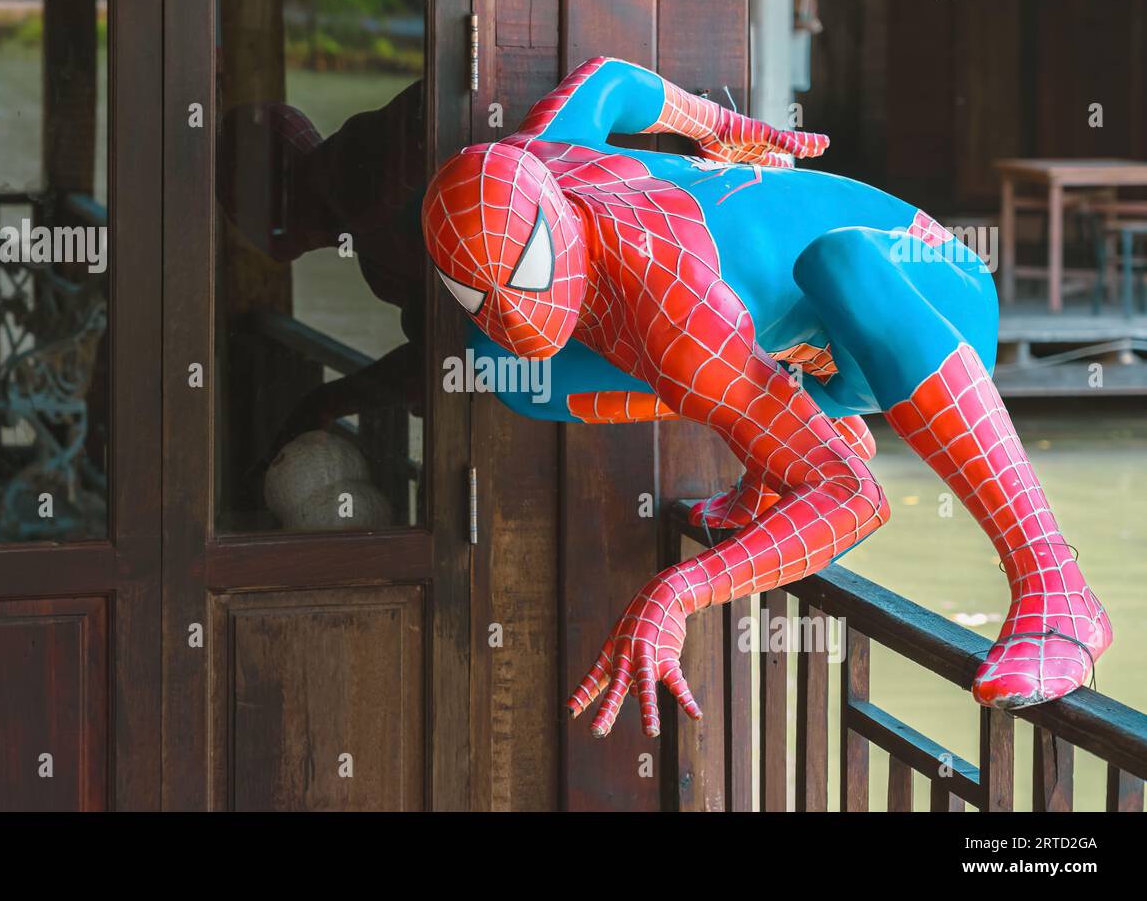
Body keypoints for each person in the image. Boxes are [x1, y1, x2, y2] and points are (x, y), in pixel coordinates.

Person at [421, 57, 1111, 737]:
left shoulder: (675, 308)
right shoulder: (533, 152)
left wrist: (678, 591)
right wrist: (715, 126)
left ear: (557, 219)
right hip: (788, 344)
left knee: (838, 264)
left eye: (529, 270)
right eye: (477, 294)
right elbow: (607, 80)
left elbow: (853, 500)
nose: (512, 312)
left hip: (930, 292)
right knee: (505, 367)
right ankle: (787, 445)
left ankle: (1055, 585)